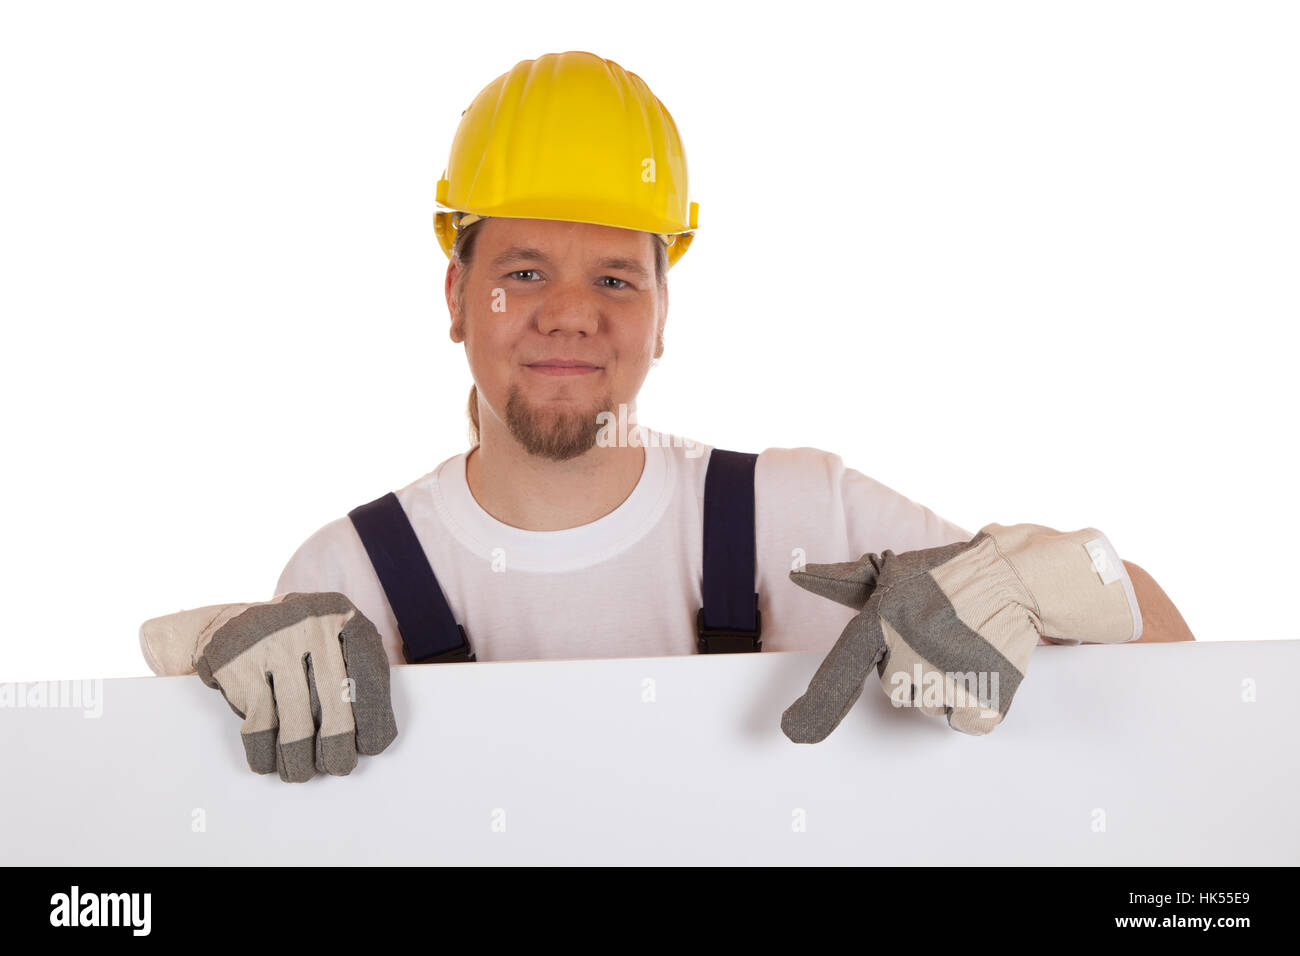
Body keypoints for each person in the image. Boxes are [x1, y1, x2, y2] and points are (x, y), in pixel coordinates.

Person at [140, 51, 1193, 780]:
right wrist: (189, 724)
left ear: (661, 312)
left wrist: (1057, 578)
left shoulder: (796, 511)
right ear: (454, 297)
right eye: (520, 270)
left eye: (614, 278)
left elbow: (1175, 677)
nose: (569, 314)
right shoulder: (350, 575)